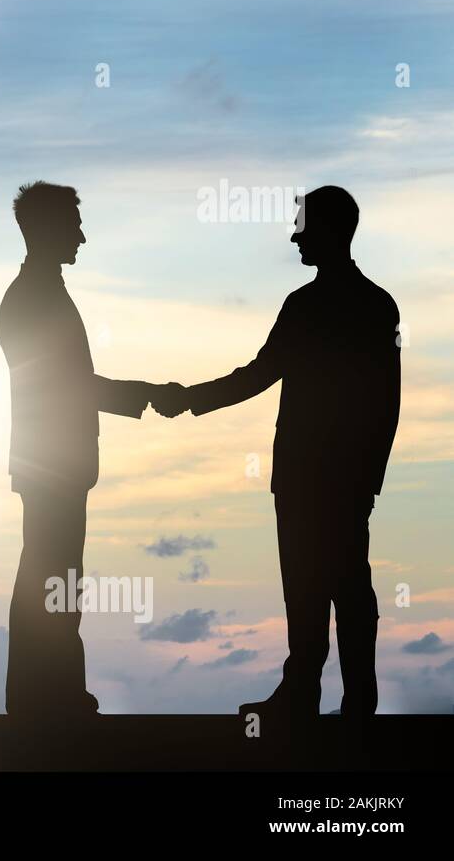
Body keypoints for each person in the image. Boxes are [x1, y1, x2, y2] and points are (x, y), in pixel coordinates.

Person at [153, 186, 401, 726]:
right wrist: (369, 478)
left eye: (303, 226)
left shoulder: (319, 305)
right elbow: (386, 401)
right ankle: (333, 698)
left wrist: (188, 399)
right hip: (322, 478)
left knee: (333, 586)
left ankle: (334, 699)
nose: (294, 235)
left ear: (331, 230)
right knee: (323, 585)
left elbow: (262, 376)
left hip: (318, 477)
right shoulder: (366, 304)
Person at [0, 180, 181, 720]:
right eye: (74, 224)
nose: (82, 235)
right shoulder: (34, 298)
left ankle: (45, 696)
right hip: (50, 462)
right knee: (53, 579)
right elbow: (69, 384)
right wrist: (147, 394)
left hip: (52, 462)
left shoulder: (39, 293)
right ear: (49, 229)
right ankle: (48, 700)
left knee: (51, 576)